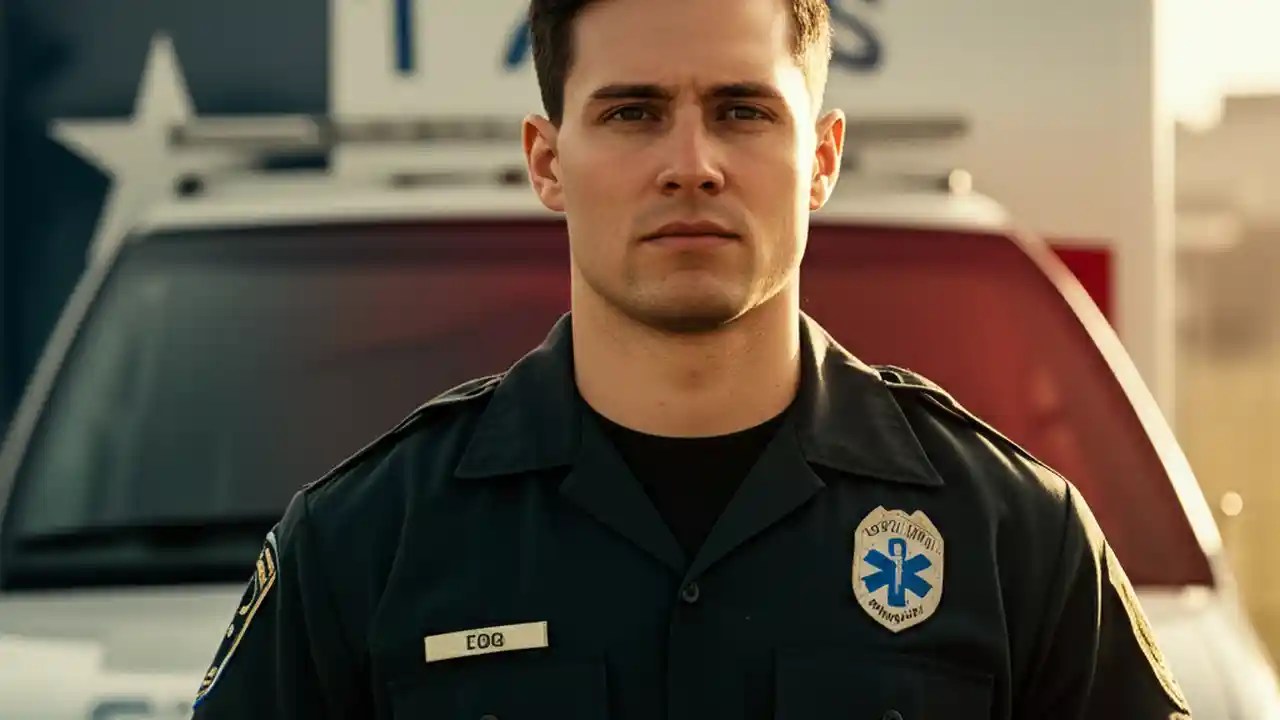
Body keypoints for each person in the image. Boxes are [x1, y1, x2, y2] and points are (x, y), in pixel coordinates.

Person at [191, 0, 1193, 717]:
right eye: (632, 112)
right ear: (546, 161)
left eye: (741, 111)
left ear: (822, 159)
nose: (691, 164)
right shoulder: (365, 547)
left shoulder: (1009, 538)